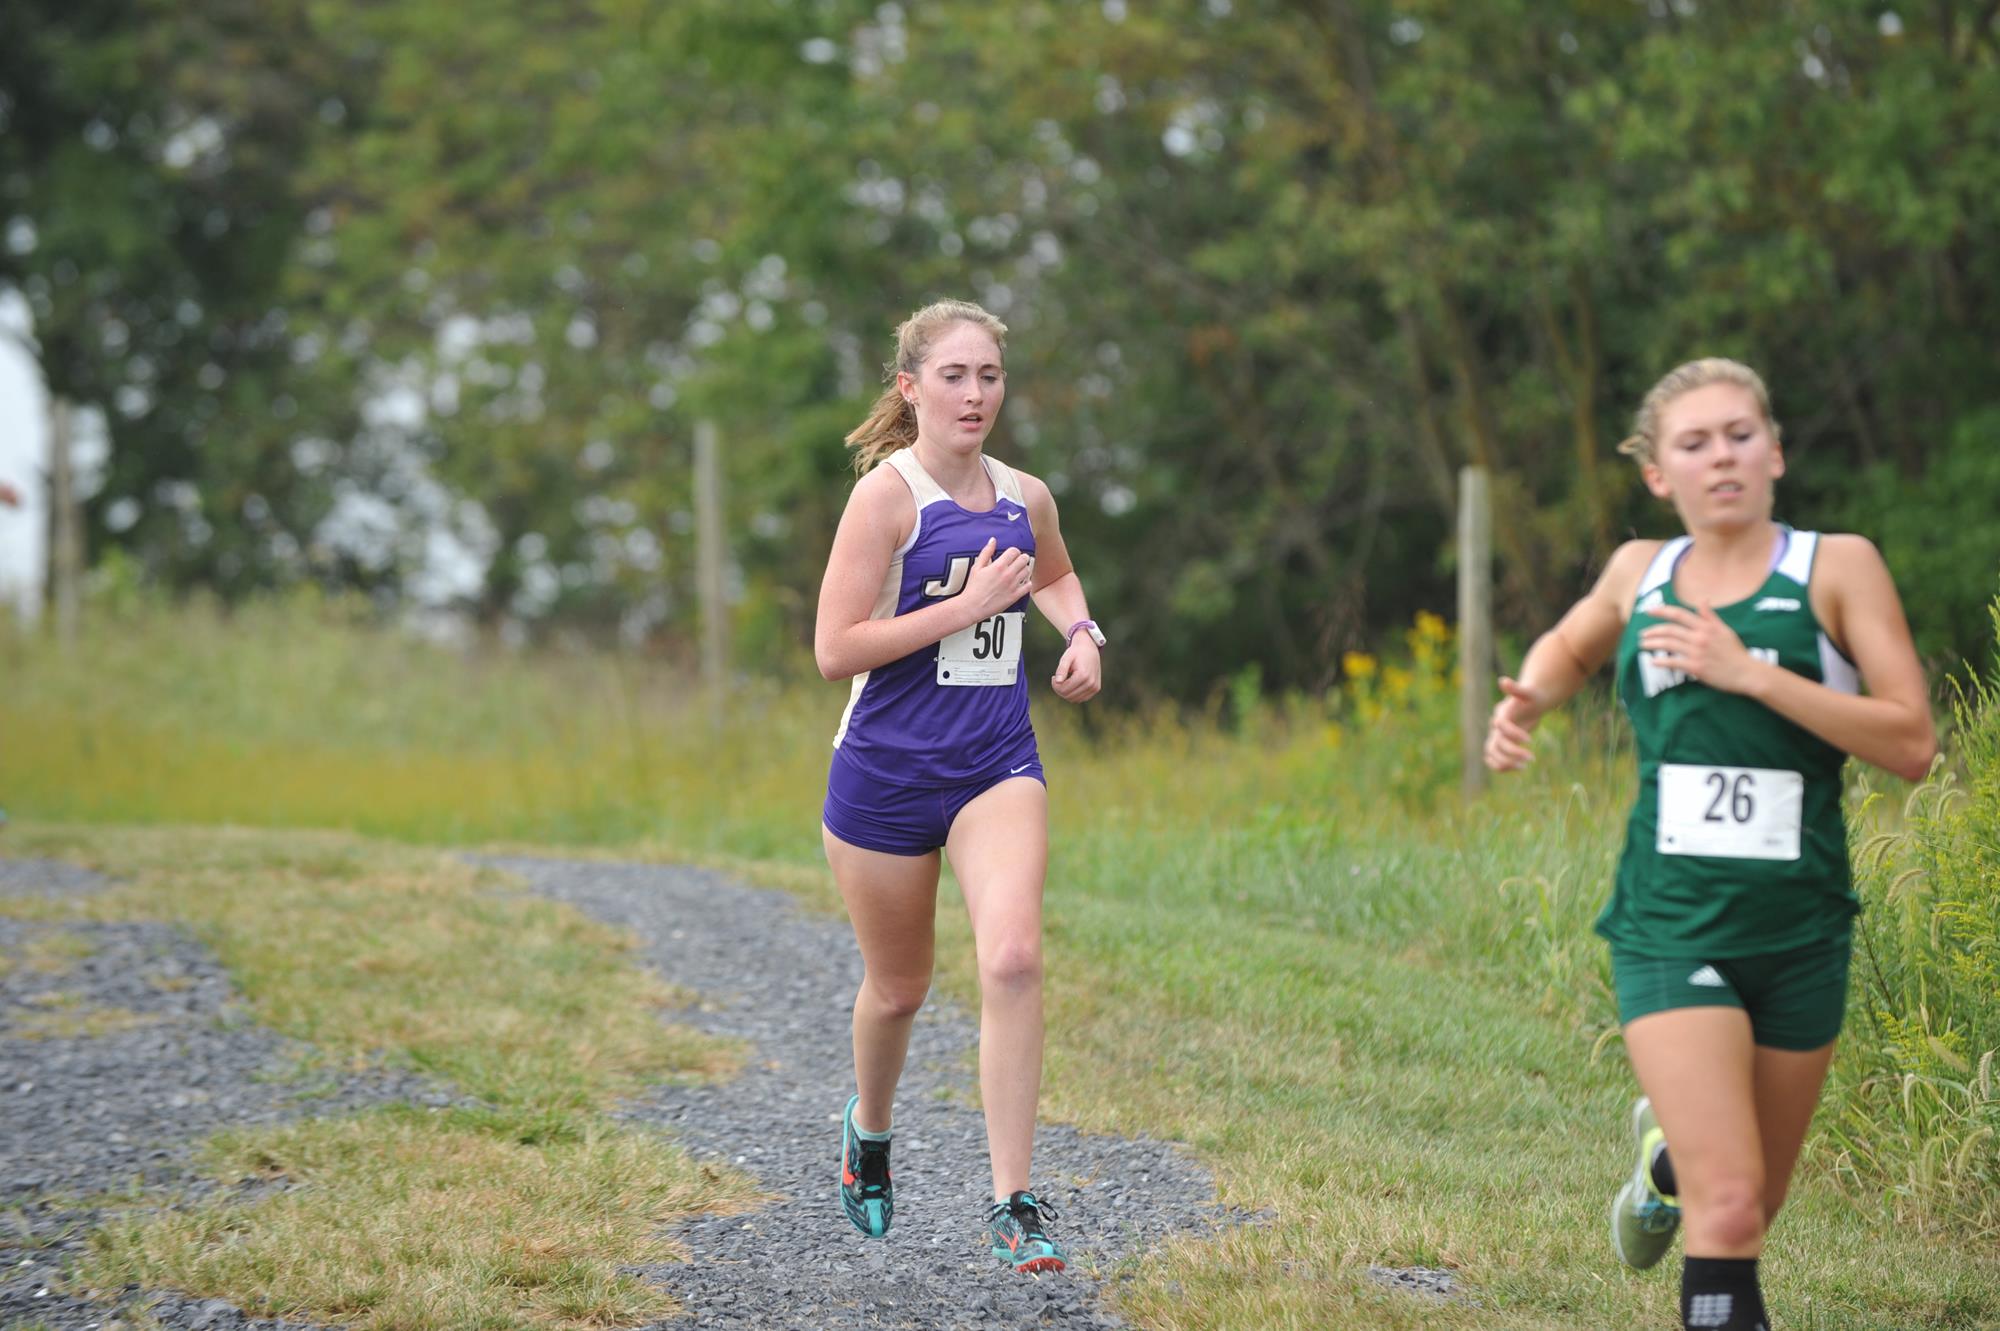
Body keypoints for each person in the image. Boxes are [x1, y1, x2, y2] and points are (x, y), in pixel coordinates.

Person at [1484, 358, 1935, 1331]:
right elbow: (1567, 647)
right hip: (1667, 923)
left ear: (1773, 450)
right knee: (1726, 1210)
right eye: (1692, 442)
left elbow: (1909, 743)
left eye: (1737, 433)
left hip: (1800, 930)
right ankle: (1689, 1176)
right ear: (1658, 474)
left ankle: (1662, 1167)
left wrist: (1750, 674)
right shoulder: (1636, 572)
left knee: (1750, 1202)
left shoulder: (1835, 567)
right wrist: (1525, 699)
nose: (1719, 455)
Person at [814, 298, 1104, 1273]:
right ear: (910, 387)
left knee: (1013, 956)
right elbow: (833, 648)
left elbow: (1057, 577)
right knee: (898, 989)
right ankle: (871, 1131)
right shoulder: (885, 500)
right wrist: (966, 608)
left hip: (994, 765)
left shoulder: (1025, 495)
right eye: (953, 376)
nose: (974, 393)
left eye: (989, 376)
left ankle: (1011, 1202)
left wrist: (1082, 633)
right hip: (884, 778)